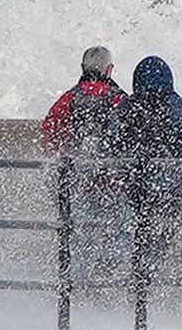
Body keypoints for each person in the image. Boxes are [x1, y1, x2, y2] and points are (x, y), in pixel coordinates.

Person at [41, 46, 130, 285]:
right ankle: (104, 272)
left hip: (79, 182)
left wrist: (64, 160)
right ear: (109, 70)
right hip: (111, 182)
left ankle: (75, 284)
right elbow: (129, 136)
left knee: (77, 232)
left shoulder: (69, 98)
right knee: (123, 226)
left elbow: (49, 131)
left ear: (83, 69)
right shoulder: (118, 99)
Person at [118, 55, 182, 294]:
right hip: (168, 185)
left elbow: (113, 141)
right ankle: (147, 277)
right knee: (162, 234)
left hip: (134, 183)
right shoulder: (175, 108)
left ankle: (134, 278)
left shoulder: (128, 107)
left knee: (138, 228)